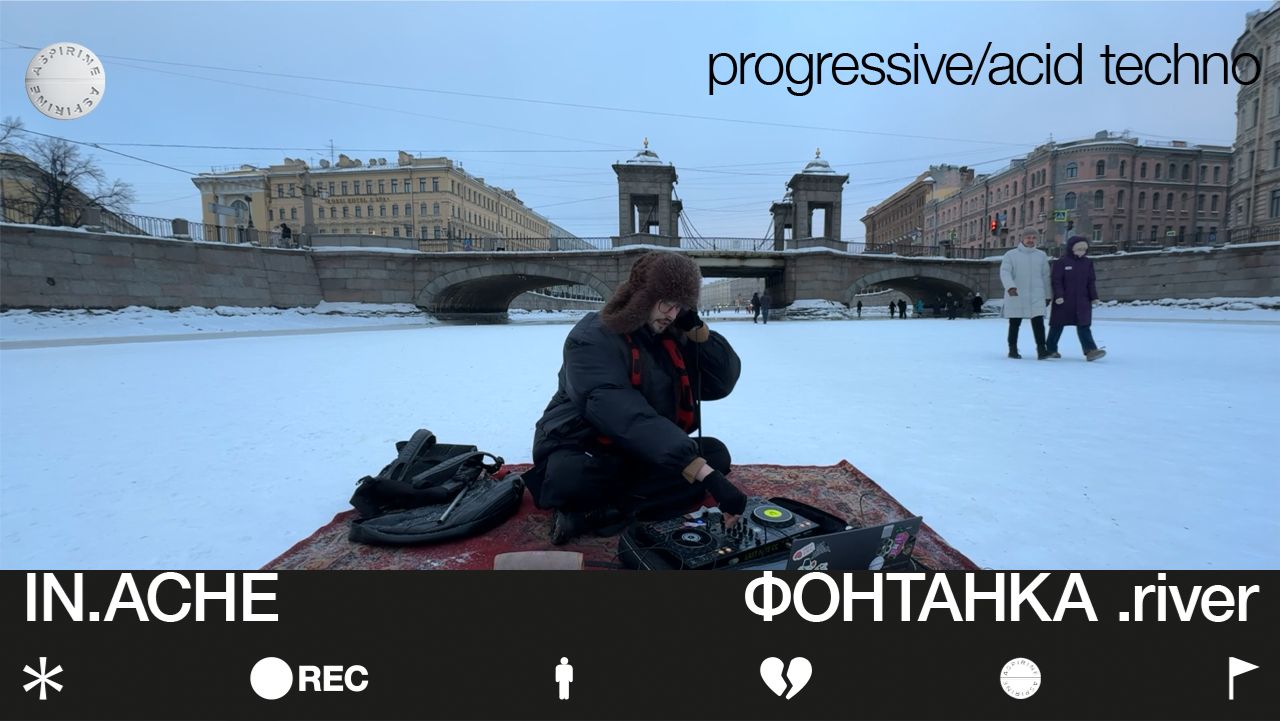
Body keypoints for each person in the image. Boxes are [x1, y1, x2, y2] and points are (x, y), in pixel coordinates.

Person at [524, 251, 746, 545]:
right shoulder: (591, 337)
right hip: (585, 443)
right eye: (667, 303)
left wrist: (698, 332)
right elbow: (620, 412)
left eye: (680, 306)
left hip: (642, 447)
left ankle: (606, 512)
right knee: (570, 478)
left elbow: (720, 382)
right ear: (642, 297)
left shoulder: (671, 333)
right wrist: (702, 472)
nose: (672, 314)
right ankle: (631, 501)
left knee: (716, 454)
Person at [1047, 236, 1106, 361]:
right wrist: (1059, 295)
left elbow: (1091, 281)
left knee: (1084, 325)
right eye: (1079, 249)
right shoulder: (1061, 262)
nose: (1082, 251)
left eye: (1084, 249)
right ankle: (1050, 349)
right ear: (1071, 248)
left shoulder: (1087, 263)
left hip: (1082, 301)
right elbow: (1056, 281)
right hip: (1064, 301)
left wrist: (1094, 297)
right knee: (1057, 325)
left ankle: (1091, 350)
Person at [1000, 229, 1053, 359]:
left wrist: (1048, 295)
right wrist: (1010, 287)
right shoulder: (1011, 255)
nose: (1031, 240)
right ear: (1022, 239)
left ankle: (1042, 350)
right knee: (1015, 323)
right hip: (1016, 293)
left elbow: (1046, 276)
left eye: (1034, 238)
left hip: (1036, 294)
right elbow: (1005, 272)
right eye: (1028, 237)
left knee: (1038, 323)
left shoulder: (1041, 255)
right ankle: (1012, 350)